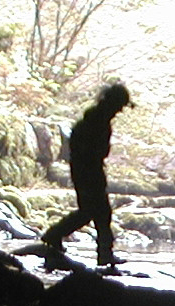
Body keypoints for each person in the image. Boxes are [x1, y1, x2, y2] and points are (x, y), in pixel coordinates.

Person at [43, 83, 131, 268]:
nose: (120, 111)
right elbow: (91, 150)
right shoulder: (96, 122)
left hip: (87, 170)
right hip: (88, 171)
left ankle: (58, 236)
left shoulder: (95, 120)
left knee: (95, 212)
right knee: (95, 211)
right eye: (119, 106)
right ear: (112, 103)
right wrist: (91, 166)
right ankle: (56, 236)